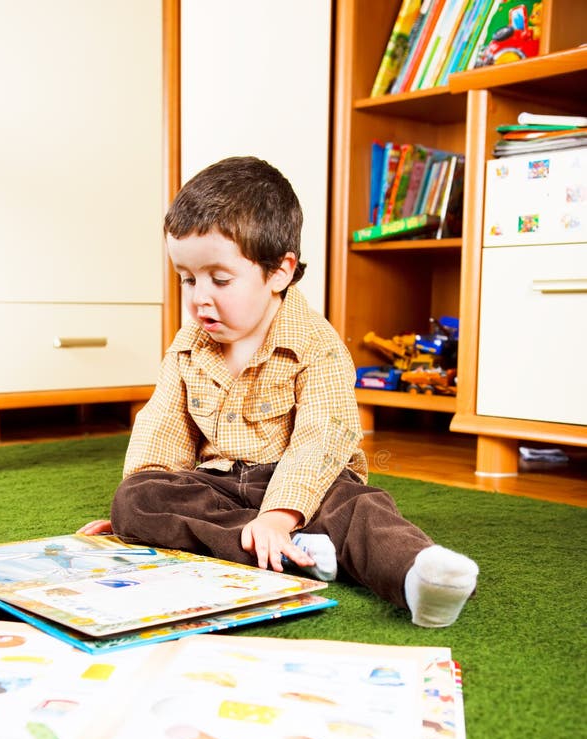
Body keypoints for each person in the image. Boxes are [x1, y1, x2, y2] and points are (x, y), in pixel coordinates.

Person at [79, 156, 478, 627]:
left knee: (360, 509)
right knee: (139, 499)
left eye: (219, 279)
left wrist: (282, 512)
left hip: (305, 483)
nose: (198, 297)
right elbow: (162, 426)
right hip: (220, 483)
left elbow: (322, 436)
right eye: (187, 279)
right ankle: (290, 554)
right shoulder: (188, 345)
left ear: (280, 272)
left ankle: (417, 575)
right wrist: (137, 507)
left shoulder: (315, 343)